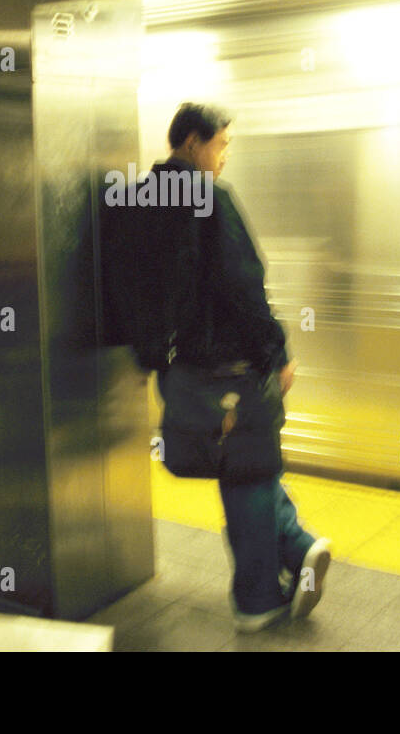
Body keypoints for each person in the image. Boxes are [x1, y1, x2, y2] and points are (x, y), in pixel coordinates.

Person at [121, 102, 331, 632]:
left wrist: (153, 355)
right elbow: (243, 285)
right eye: (222, 144)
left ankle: (298, 548)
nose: (225, 155)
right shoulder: (210, 199)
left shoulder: (136, 201)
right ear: (193, 142)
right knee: (250, 470)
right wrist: (276, 353)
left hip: (179, 373)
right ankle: (259, 597)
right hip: (231, 368)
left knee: (239, 463)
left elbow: (127, 289)